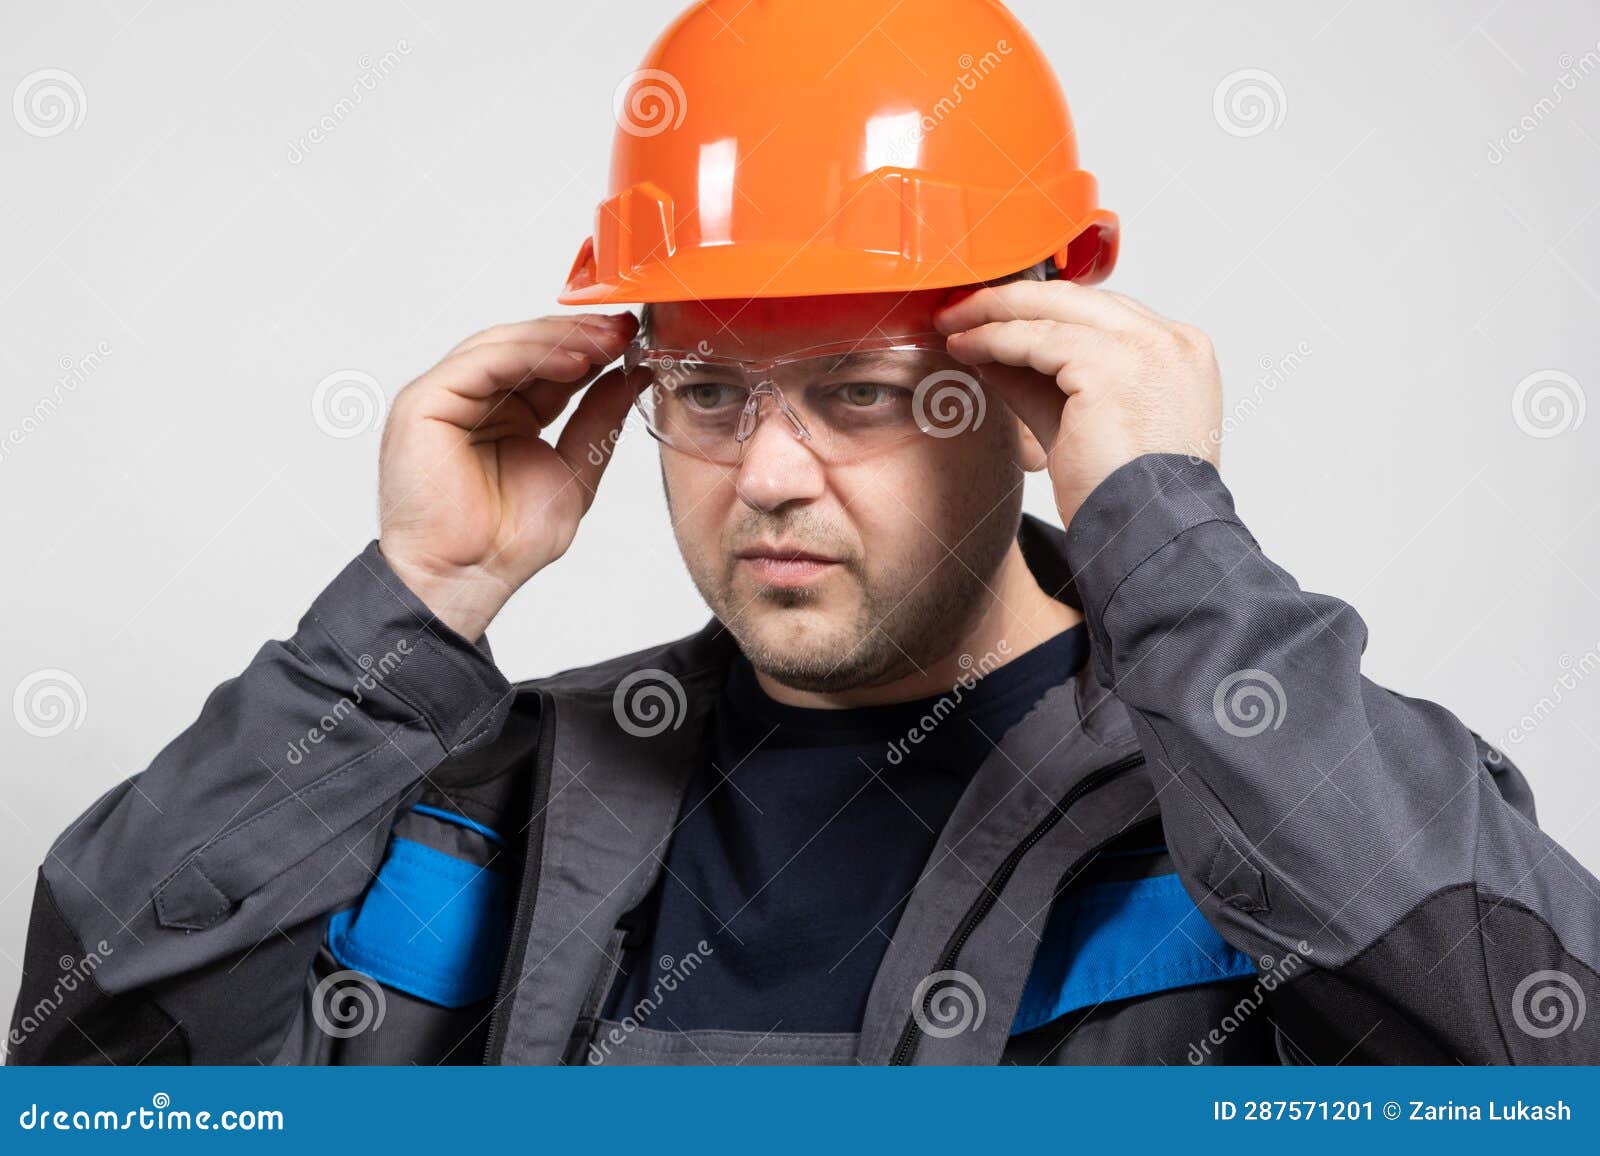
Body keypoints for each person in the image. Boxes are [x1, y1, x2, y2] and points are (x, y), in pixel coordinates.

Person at [10, 0, 1599, 1066]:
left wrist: (1167, 540)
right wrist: (413, 606)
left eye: (861, 394)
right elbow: (91, 1081)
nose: (767, 473)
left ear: (1034, 380)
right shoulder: (468, 808)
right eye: (707, 390)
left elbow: (1544, 1056)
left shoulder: (1258, 803)